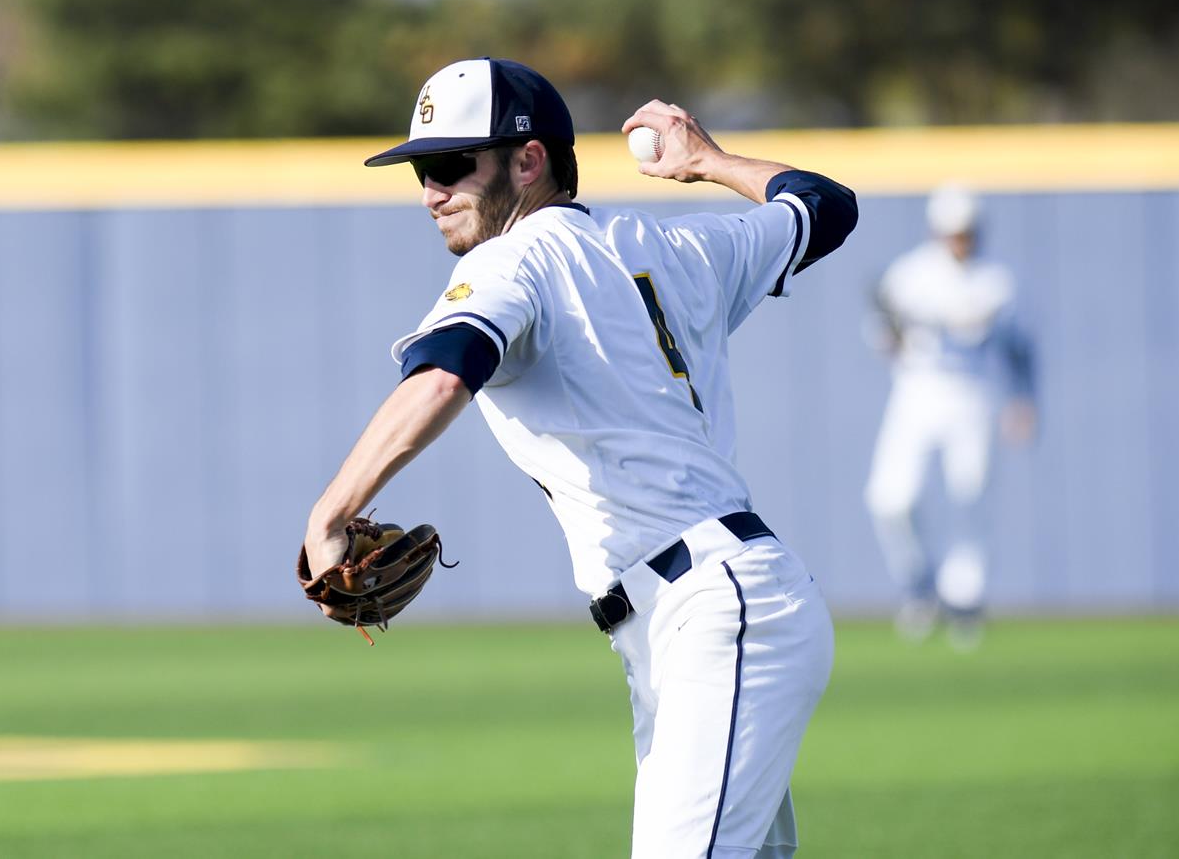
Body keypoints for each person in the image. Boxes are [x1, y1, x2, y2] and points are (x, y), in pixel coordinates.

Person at [302, 57, 858, 859]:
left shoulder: (512, 259)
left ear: (529, 161)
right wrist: (710, 162)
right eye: (423, 169)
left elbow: (447, 371)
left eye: (453, 165)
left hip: (710, 609)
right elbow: (822, 206)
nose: (431, 190)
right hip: (690, 619)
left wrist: (333, 511)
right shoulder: (683, 248)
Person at [863, 184, 1036, 650]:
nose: (960, 240)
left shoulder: (996, 281)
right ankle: (919, 585)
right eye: (952, 232)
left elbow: (1019, 347)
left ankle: (965, 597)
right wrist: (894, 336)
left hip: (974, 393)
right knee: (890, 498)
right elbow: (882, 329)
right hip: (918, 390)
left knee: (970, 495)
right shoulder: (911, 274)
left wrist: (1023, 400)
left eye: (967, 232)